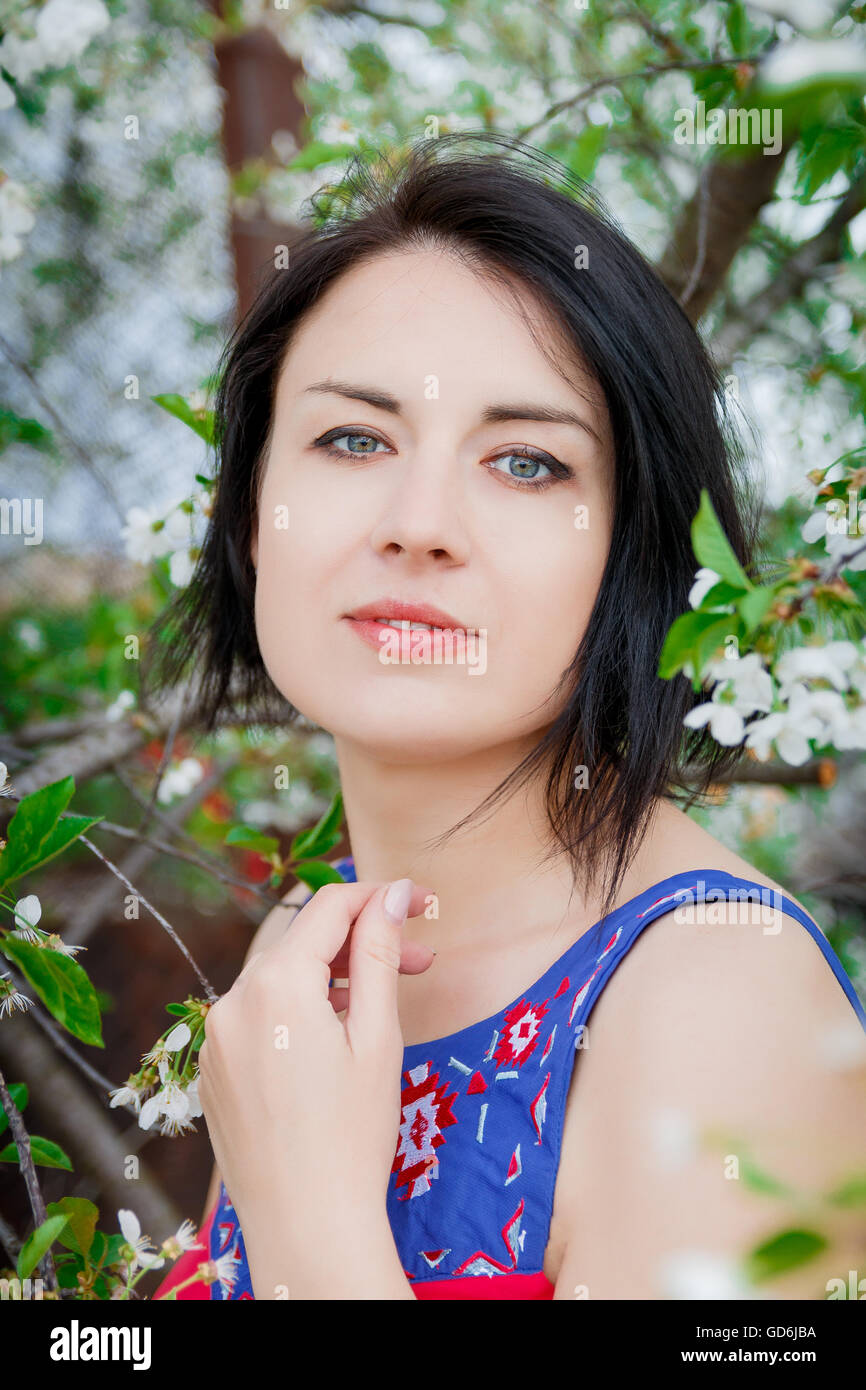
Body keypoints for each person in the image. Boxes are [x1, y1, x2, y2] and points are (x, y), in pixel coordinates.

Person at [145, 132, 866, 1301]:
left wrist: (308, 1219)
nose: (418, 520)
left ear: (638, 563)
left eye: (525, 462)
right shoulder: (330, 951)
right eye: (352, 438)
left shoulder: (714, 1006)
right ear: (248, 525)